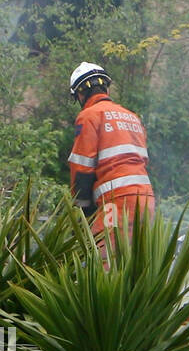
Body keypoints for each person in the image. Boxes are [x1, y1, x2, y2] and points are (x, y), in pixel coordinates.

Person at [66, 61, 155, 239]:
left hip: (116, 202)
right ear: (106, 88)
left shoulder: (89, 116)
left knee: (104, 257)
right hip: (146, 199)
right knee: (140, 258)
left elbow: (82, 168)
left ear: (80, 94)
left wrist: (82, 211)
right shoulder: (132, 117)